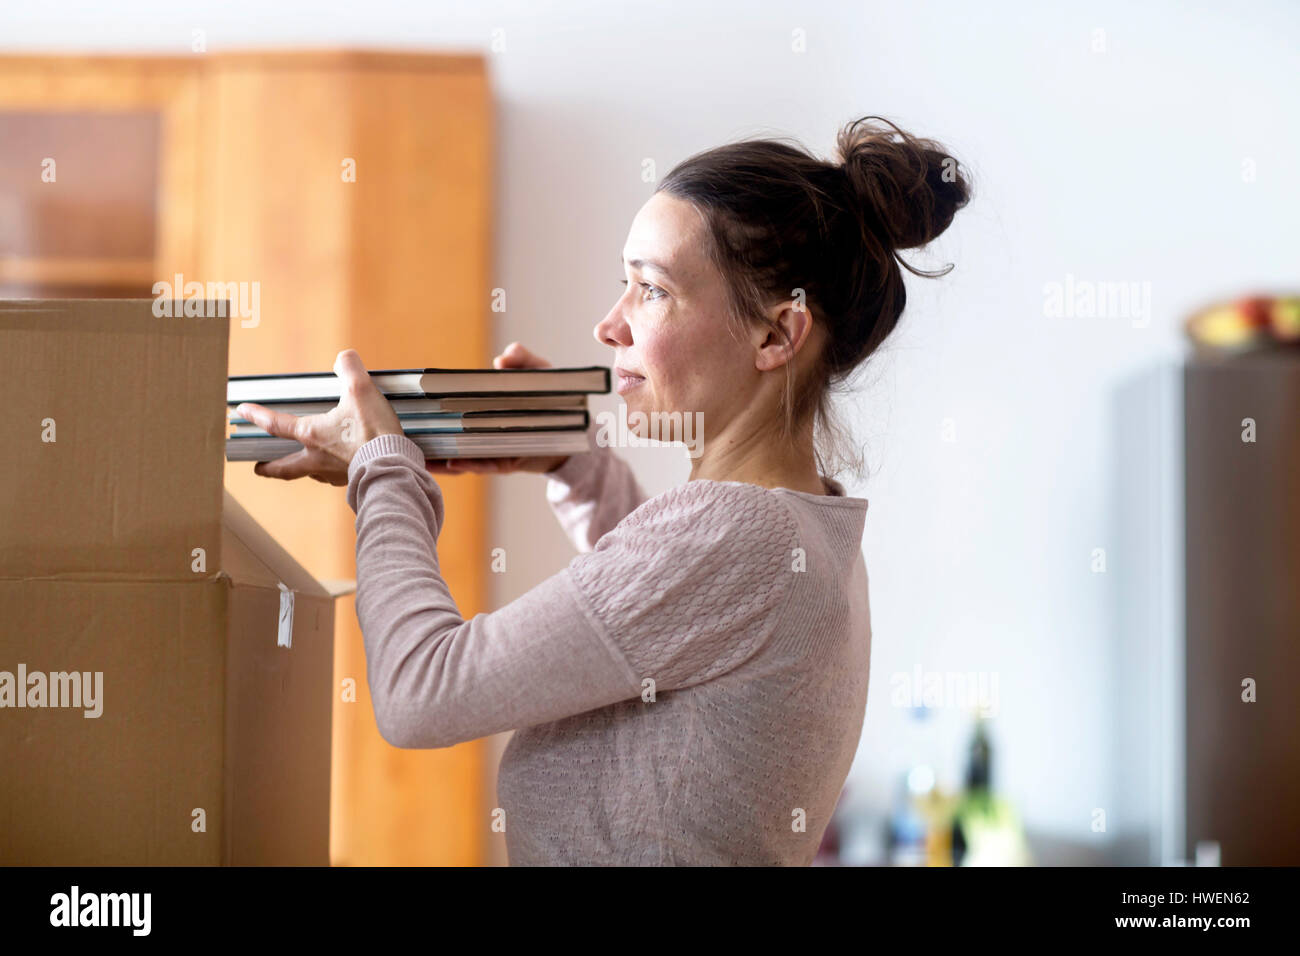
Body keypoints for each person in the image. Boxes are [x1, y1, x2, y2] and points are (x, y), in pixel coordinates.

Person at [236, 116, 971, 865]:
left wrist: (384, 472)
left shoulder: (736, 535)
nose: (608, 325)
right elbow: (673, 624)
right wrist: (573, 465)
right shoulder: (810, 527)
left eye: (650, 290)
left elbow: (421, 689)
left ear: (777, 336)